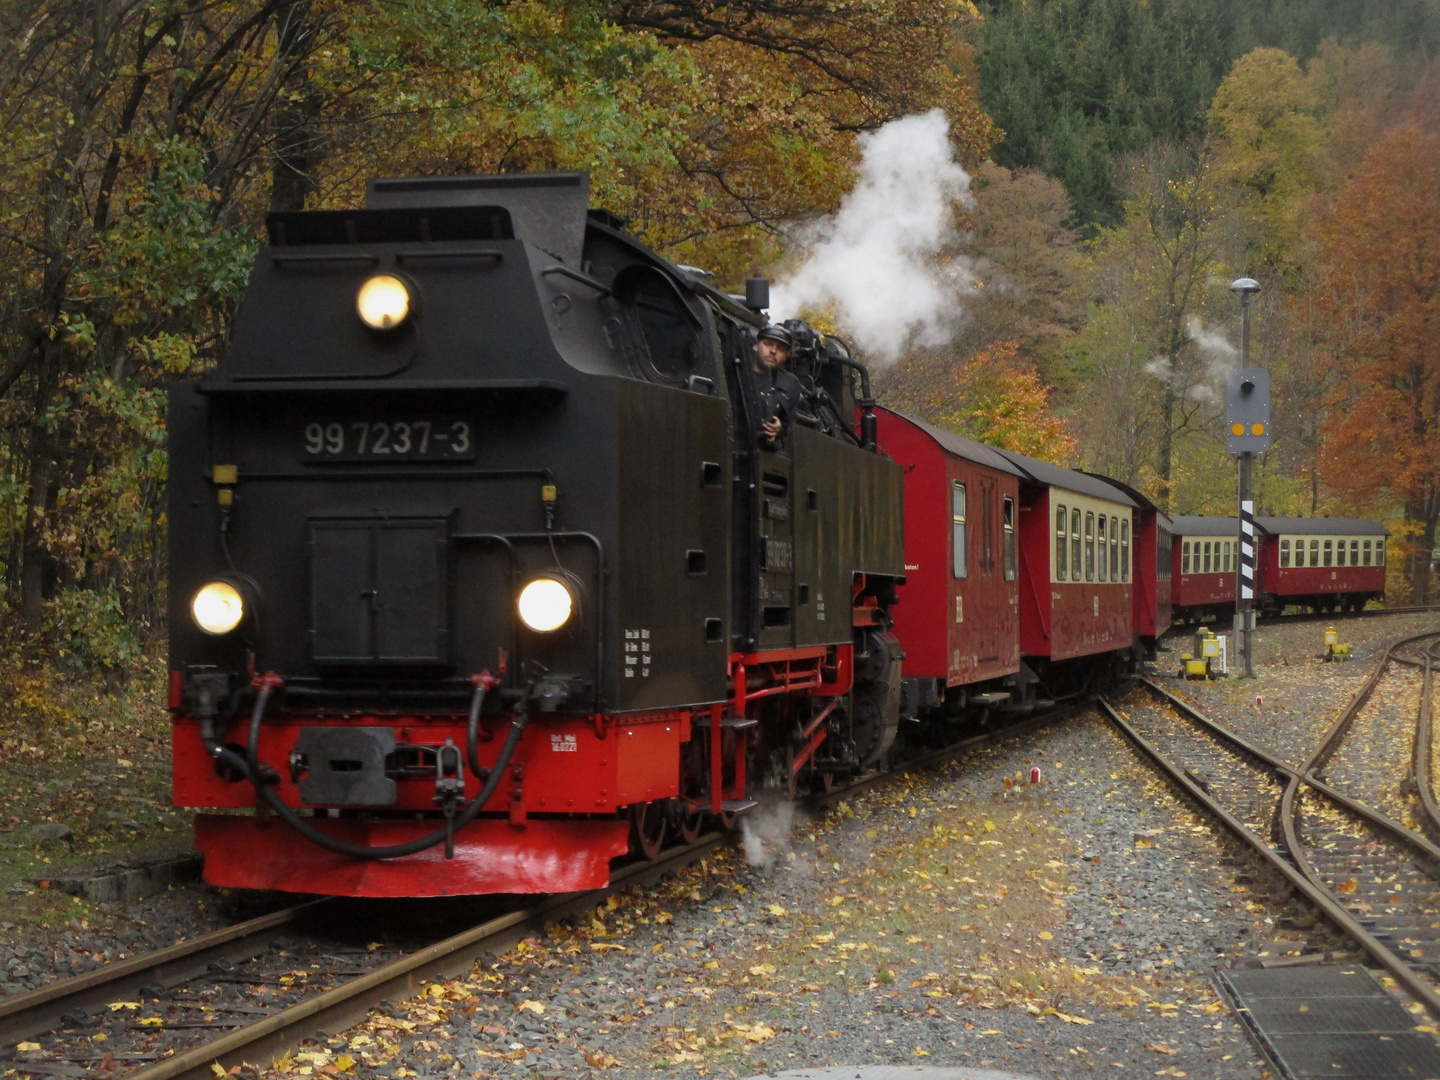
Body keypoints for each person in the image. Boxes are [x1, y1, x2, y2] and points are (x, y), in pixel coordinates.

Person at [752, 324, 802, 450]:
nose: (773, 351)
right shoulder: (737, 370)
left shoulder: (791, 384)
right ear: (756, 346)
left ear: (786, 356)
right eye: (768, 344)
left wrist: (778, 430)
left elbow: (788, 426)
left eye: (780, 348)